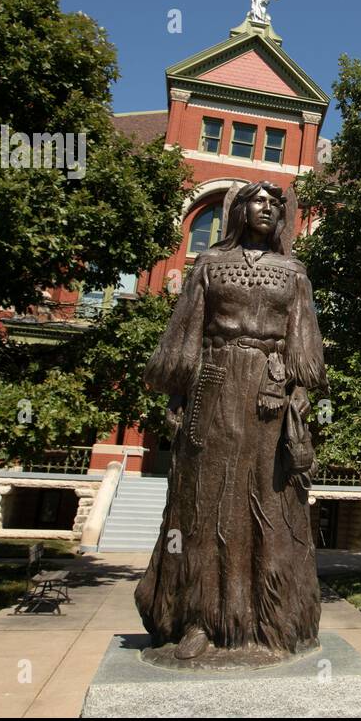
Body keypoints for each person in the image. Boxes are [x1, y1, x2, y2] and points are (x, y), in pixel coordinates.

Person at [135, 180, 327, 666]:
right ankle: (199, 620)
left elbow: (303, 343)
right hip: (215, 384)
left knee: (268, 503)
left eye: (274, 203)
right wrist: (177, 396)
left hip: (270, 391)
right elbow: (186, 332)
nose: (267, 208)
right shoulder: (209, 266)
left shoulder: (294, 273)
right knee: (203, 505)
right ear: (238, 209)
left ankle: (271, 622)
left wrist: (298, 396)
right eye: (258, 201)